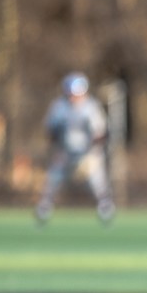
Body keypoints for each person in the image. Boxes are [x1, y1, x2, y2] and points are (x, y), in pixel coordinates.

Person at [35, 72, 116, 224]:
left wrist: (92, 146)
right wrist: (58, 142)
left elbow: (101, 133)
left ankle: (105, 206)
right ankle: (44, 207)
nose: (74, 98)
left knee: (96, 179)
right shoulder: (59, 107)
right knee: (53, 178)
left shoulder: (91, 107)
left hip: (87, 152)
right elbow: (50, 131)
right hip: (65, 151)